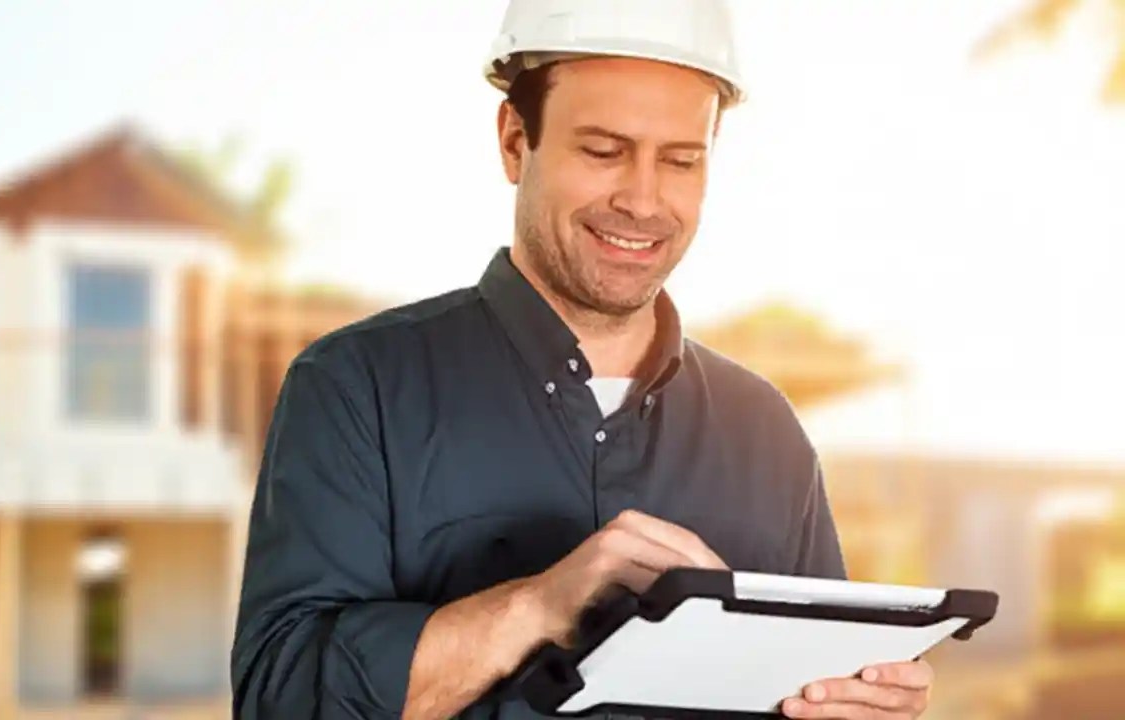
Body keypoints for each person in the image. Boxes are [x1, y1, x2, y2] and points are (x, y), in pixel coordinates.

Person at [231, 1, 935, 718]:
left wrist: (856, 703)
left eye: (681, 161)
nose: (642, 199)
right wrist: (537, 606)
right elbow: (280, 701)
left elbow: (806, 691)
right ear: (513, 140)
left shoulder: (766, 431)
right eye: (603, 151)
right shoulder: (357, 389)